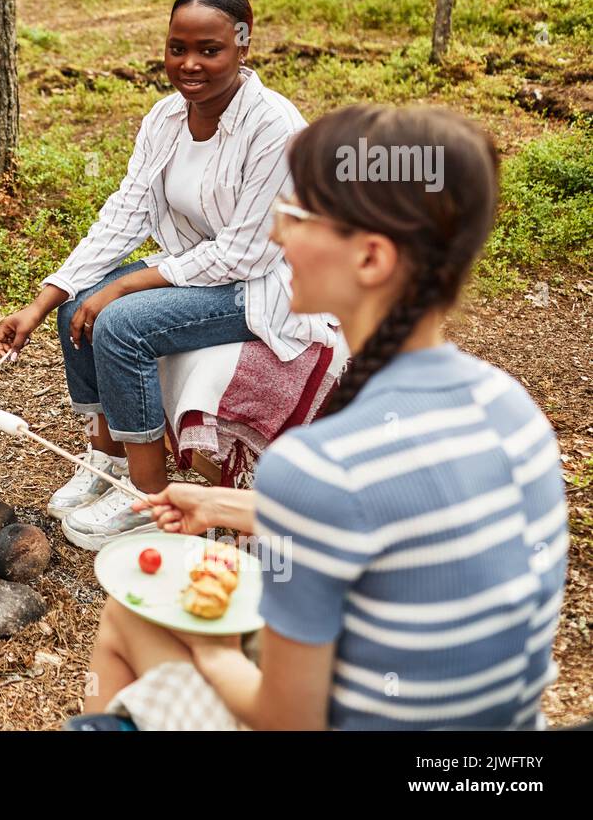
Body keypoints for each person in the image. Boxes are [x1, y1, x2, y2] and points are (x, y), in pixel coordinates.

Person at [85, 106, 567, 730]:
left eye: (296, 214)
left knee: (130, 617)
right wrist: (233, 507)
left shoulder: (318, 467)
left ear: (369, 260)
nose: (278, 235)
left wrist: (209, 645)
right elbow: (400, 512)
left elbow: (290, 721)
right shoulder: (511, 408)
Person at [0, 0, 337, 550]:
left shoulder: (274, 126)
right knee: (78, 304)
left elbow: (245, 253)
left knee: (121, 322)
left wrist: (127, 285)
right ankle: (106, 463)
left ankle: (148, 498)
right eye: (178, 48)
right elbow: (123, 214)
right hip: (196, 267)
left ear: (243, 46)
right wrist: (44, 298)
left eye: (210, 49)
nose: (190, 64)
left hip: (267, 283)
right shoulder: (164, 118)